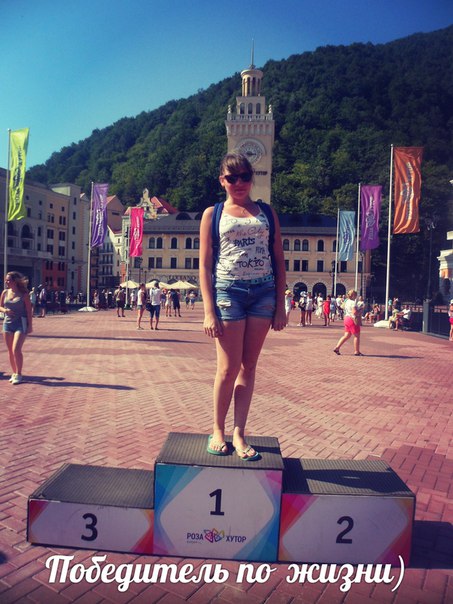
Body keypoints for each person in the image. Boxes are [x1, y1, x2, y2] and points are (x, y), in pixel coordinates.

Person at [199, 152, 286, 461]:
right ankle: (217, 429)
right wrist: (208, 311)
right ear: (222, 181)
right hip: (229, 292)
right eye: (232, 177)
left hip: (263, 293)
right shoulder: (213, 214)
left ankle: (239, 432)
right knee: (227, 368)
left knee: (249, 366)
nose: (239, 183)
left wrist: (280, 305)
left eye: (245, 176)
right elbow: (205, 264)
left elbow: (278, 258)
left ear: (252, 178)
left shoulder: (267, 212)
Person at [0, 272, 33, 385]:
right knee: (10, 351)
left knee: (16, 349)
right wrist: (5, 310)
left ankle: (19, 374)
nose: (6, 282)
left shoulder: (24, 294)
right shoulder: (5, 292)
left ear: (15, 281)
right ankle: (14, 373)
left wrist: (30, 325)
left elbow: (29, 311)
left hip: (20, 324)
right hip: (7, 324)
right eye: (6, 280)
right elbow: (0, 307)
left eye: (8, 280)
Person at [333, 289, 363, 356]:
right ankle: (356, 351)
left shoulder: (346, 301)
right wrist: (360, 310)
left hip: (346, 318)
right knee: (357, 336)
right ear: (354, 295)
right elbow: (354, 312)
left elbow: (342, 307)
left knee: (347, 335)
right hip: (352, 319)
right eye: (356, 295)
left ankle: (337, 347)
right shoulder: (353, 302)